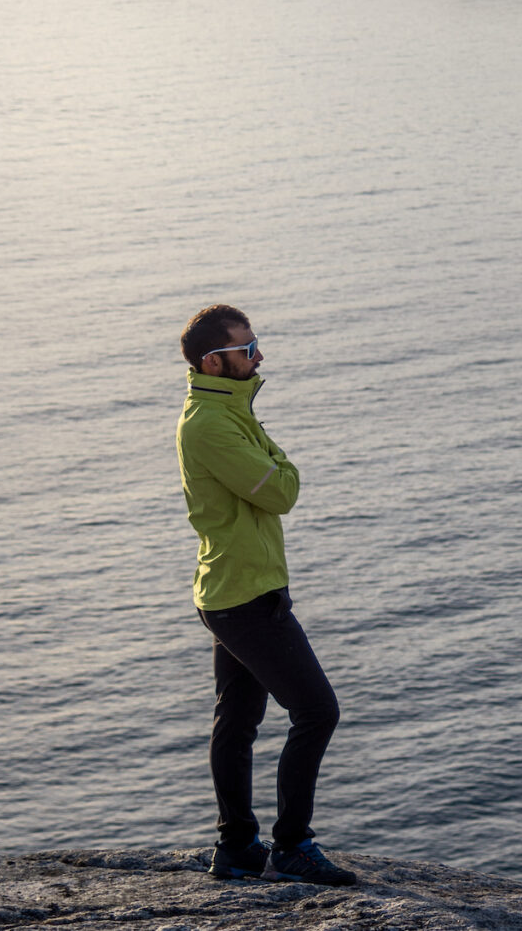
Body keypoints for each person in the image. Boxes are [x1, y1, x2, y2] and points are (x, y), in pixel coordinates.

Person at [177, 304, 357, 886]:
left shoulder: (230, 408)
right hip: (246, 597)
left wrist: (276, 465)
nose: (259, 356)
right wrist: (281, 465)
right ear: (215, 359)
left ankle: (235, 848)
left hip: (235, 588)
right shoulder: (210, 423)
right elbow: (282, 491)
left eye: (257, 345)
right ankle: (291, 846)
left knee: (238, 720)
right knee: (316, 711)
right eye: (248, 348)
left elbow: (275, 479)